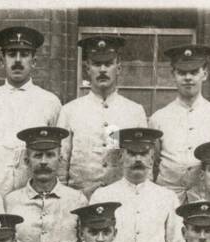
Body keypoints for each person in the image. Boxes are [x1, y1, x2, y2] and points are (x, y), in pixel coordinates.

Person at [92, 127, 185, 242]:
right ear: (121, 157)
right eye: (132, 153)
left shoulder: (167, 198)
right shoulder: (102, 196)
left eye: (143, 154)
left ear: (151, 158)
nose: (138, 159)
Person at [59, 36, 147, 197]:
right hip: (80, 197)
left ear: (118, 68)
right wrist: (66, 200)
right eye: (97, 64)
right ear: (87, 69)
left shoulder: (134, 111)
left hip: (122, 197)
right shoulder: (70, 111)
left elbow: (145, 161)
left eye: (108, 64)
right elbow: (61, 161)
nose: (102, 70)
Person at [0, 26, 61, 197]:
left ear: (34, 61)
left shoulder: (50, 101)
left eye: (24, 55)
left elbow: (58, 151)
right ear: (2, 61)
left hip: (34, 193)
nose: (17, 60)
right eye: (11, 54)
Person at [148, 45, 210, 199]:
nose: (188, 78)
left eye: (194, 72)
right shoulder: (159, 118)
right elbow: (151, 163)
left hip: (204, 200)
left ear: (205, 74)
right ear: (173, 75)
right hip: (167, 199)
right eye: (182, 73)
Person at [5, 126, 86, 242]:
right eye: (37, 155)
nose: (43, 162)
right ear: (27, 160)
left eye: (50, 155)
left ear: (60, 158)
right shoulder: (10, 202)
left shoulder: (77, 201)